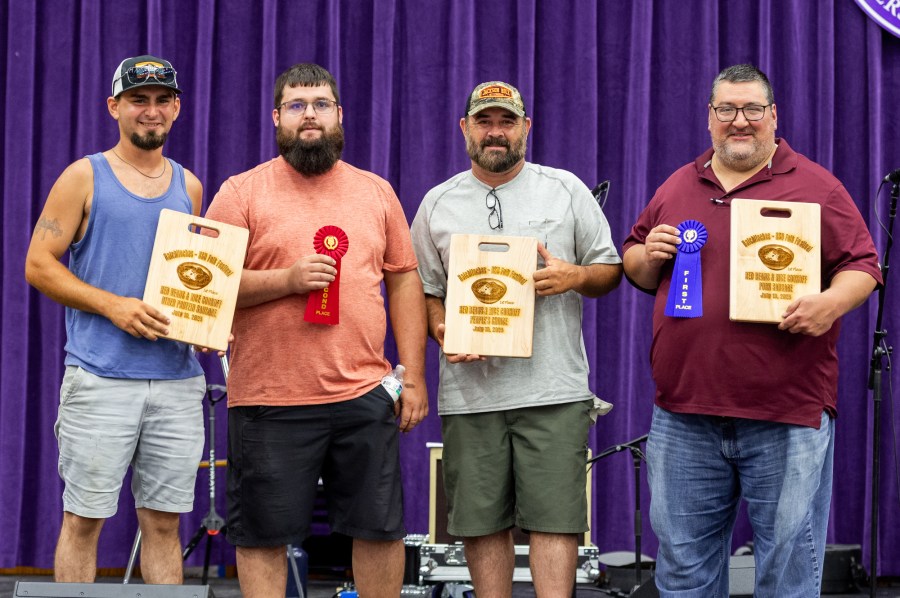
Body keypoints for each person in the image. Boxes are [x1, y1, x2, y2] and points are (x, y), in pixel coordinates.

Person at [622, 64, 882, 597]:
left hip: (785, 414)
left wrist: (832, 302)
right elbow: (636, 261)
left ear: (773, 115)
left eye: (752, 109)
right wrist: (646, 256)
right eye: (727, 109)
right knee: (683, 571)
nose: (739, 121)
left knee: (787, 573)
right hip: (684, 415)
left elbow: (863, 265)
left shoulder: (817, 186)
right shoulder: (679, 183)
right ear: (709, 117)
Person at [204, 62, 427, 598]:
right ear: (276, 117)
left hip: (364, 394)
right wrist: (287, 280)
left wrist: (414, 376)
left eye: (321, 104)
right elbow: (206, 283)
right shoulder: (240, 193)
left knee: (379, 530)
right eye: (297, 106)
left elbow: (403, 281)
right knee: (261, 537)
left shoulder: (376, 192)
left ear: (339, 115)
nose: (310, 115)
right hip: (268, 399)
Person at [410, 80, 623, 597]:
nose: (495, 132)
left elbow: (610, 269)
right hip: (470, 394)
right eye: (484, 121)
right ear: (465, 129)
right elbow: (425, 290)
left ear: (526, 127)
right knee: (481, 524)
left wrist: (574, 275)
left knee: (556, 520)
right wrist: (440, 328)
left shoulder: (565, 189)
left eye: (507, 121)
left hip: (553, 391)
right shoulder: (437, 203)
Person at [24, 55, 206, 584]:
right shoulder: (84, 176)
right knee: (84, 520)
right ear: (114, 107)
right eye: (137, 100)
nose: (151, 111)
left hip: (176, 382)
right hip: (100, 378)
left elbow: (191, 282)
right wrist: (113, 305)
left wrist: (207, 325)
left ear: (176, 108)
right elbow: (38, 264)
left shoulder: (190, 186)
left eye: (162, 100)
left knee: (164, 524)